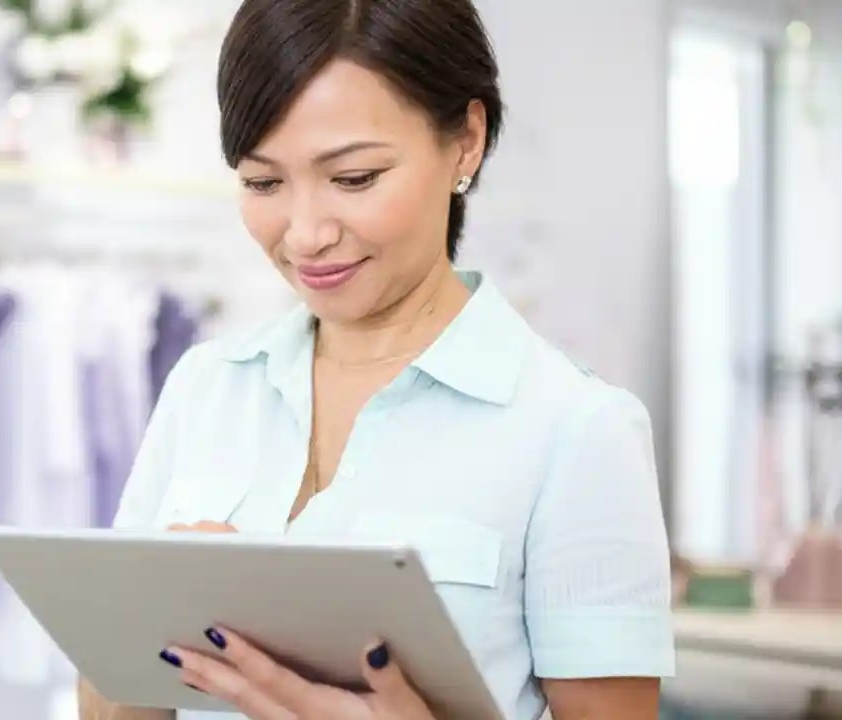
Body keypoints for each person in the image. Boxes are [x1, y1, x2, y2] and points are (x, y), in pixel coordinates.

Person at [79, 0, 674, 718]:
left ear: (466, 141)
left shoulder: (577, 429)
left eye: (354, 178)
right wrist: (147, 623)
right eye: (263, 182)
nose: (304, 235)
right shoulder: (204, 388)